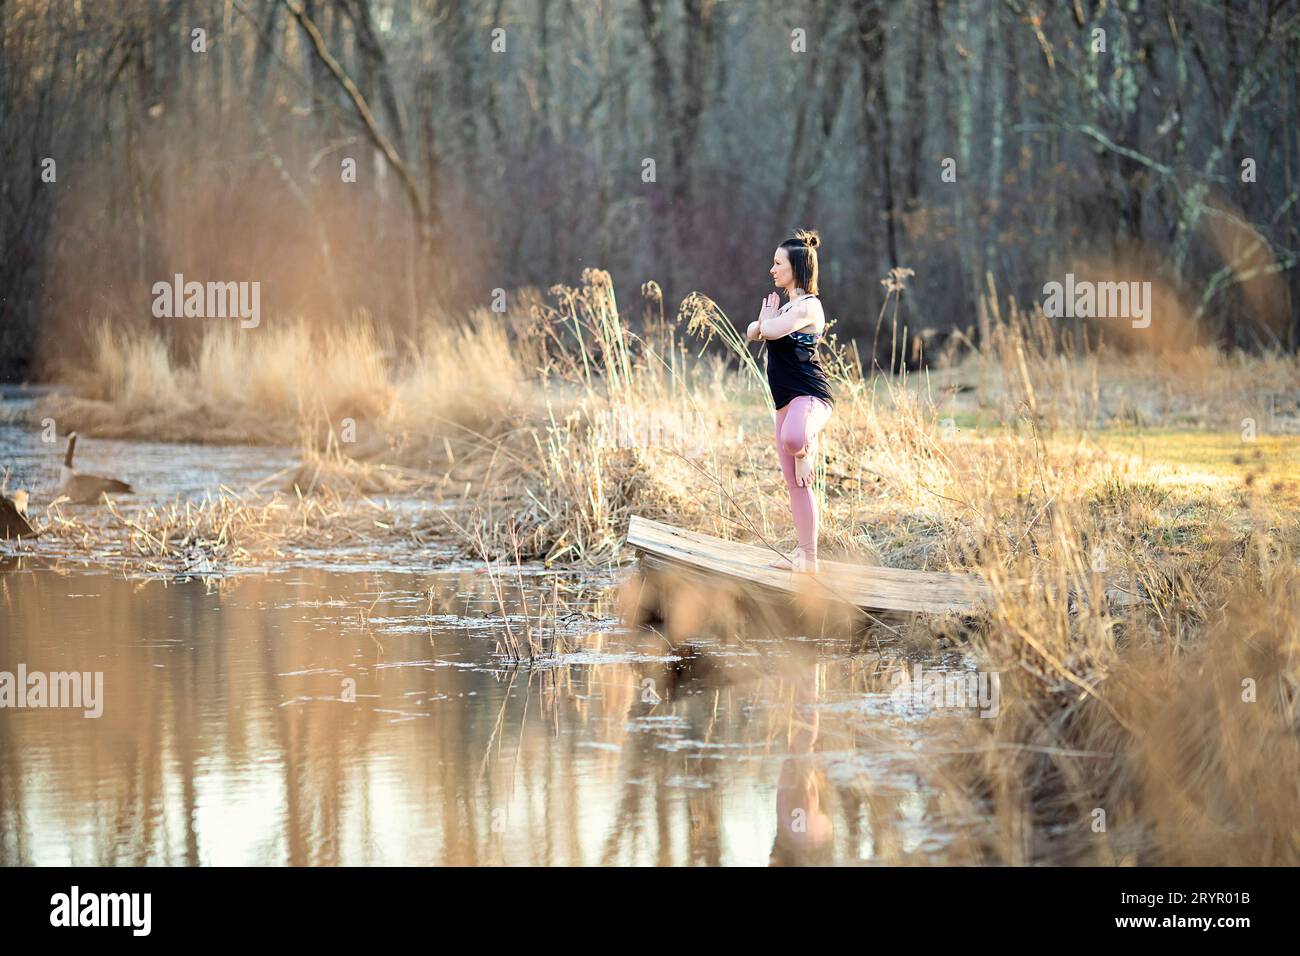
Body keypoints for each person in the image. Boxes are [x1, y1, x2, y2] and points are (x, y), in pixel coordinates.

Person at [745, 228, 835, 573]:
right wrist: (763, 323)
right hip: (784, 404)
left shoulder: (810, 306)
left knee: (795, 439)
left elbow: (768, 330)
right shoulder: (785, 307)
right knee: (795, 485)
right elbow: (753, 331)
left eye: (777, 263)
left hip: (810, 397)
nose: (772, 269)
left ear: (795, 266)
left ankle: (806, 451)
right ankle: (806, 557)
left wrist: (766, 323)